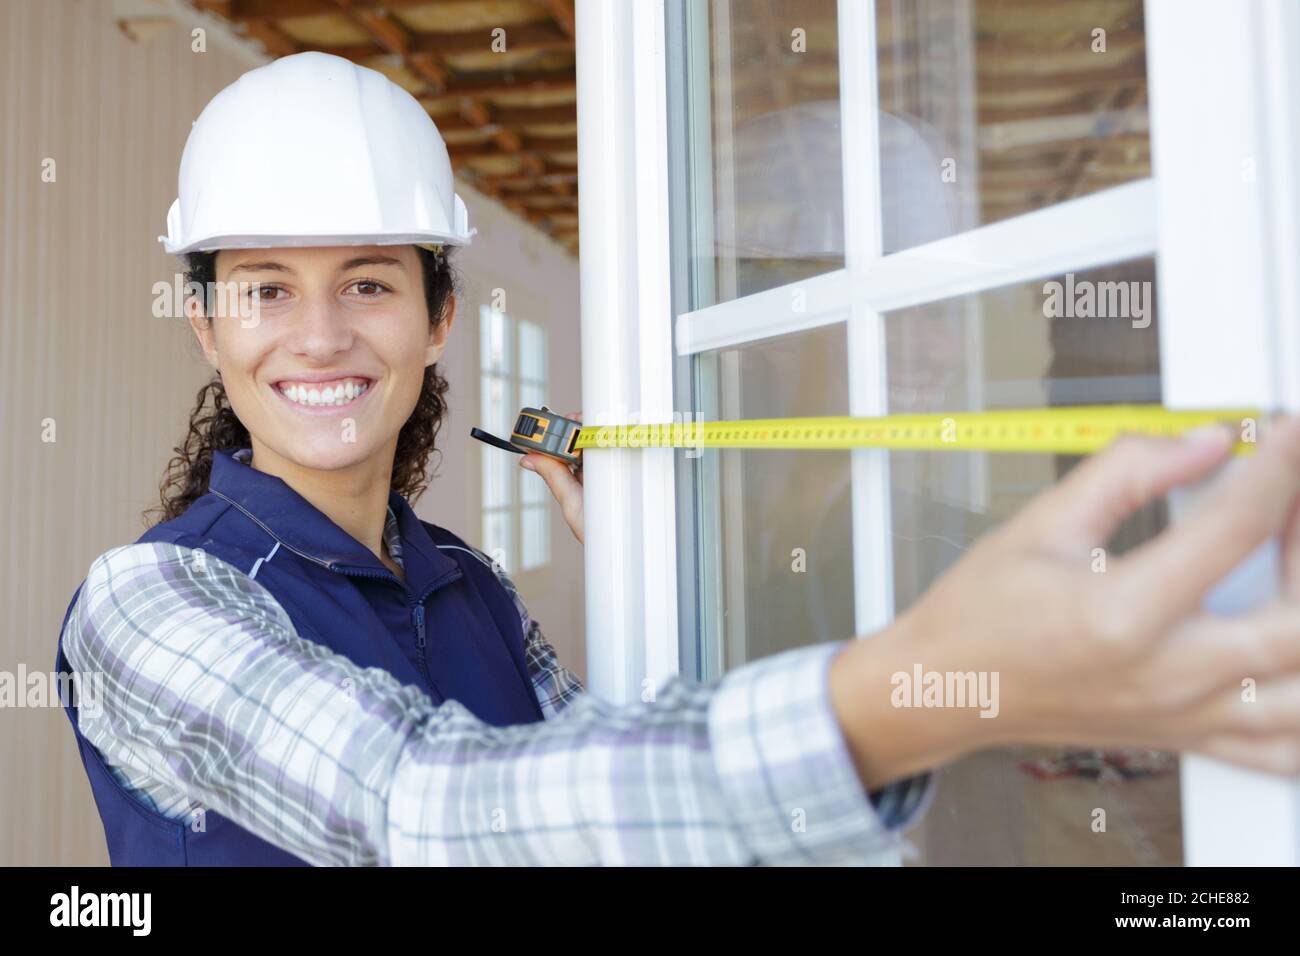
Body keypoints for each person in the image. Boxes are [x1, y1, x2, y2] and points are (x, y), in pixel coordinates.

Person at [56, 52, 1300, 867]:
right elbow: (418, 811)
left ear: (439, 317)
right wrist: (915, 681)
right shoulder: (149, 599)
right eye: (266, 287)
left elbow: (631, 814)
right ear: (209, 321)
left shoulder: (467, 583)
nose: (319, 334)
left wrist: (687, 568)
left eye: (368, 281)